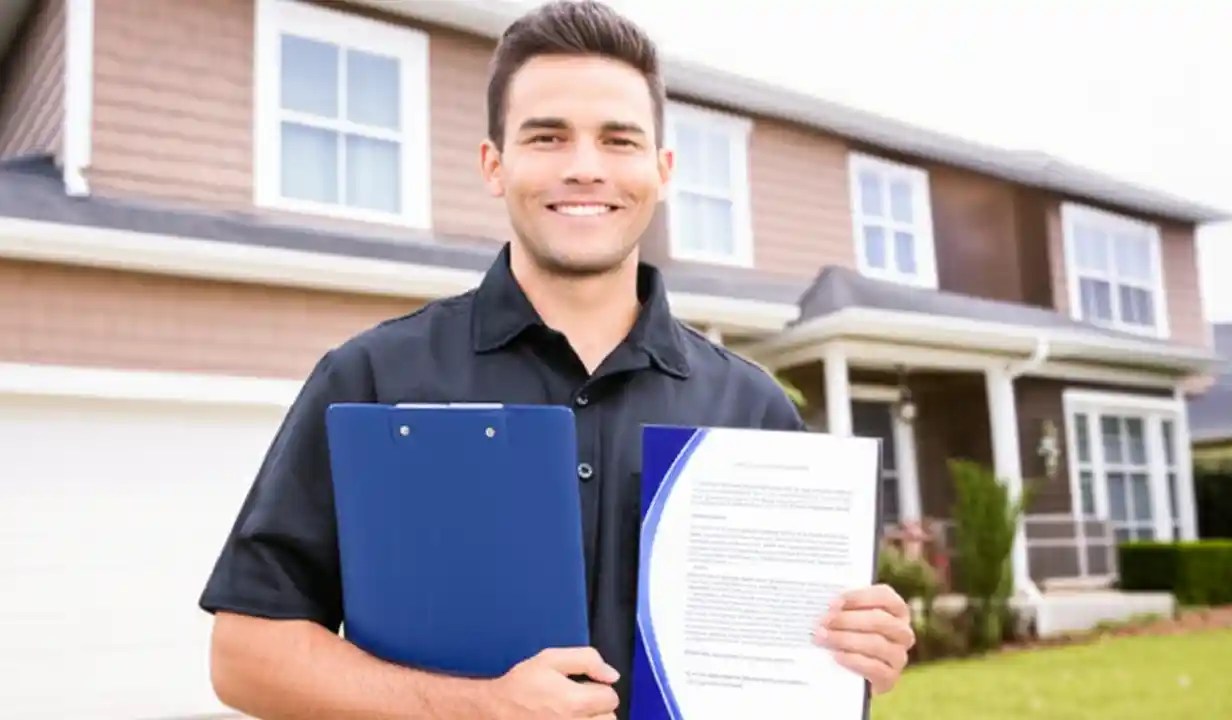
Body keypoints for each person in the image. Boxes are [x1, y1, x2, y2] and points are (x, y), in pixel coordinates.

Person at [197, 1, 915, 718]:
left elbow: (799, 666)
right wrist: (479, 707)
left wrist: (861, 651)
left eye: (618, 140)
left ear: (662, 170)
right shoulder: (373, 380)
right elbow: (246, 655)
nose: (584, 168)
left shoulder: (751, 409)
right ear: (494, 164)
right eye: (547, 137)